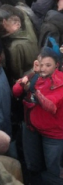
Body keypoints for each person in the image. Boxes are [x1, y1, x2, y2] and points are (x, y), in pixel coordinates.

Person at [12, 50, 63, 185]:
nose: (43, 68)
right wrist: (26, 80)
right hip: (32, 129)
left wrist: (36, 92)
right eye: (40, 64)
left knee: (53, 171)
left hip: (53, 134)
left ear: (56, 65)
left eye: (48, 65)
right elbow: (16, 91)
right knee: (33, 165)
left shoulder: (60, 81)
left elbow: (50, 105)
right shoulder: (34, 76)